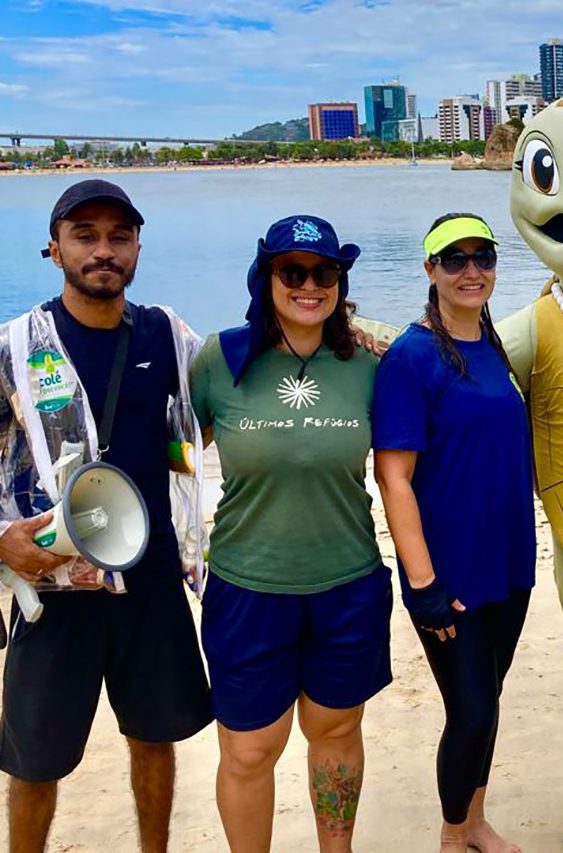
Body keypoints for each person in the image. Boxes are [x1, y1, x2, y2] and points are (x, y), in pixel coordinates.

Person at [0, 179, 212, 853]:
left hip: (150, 582)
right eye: (85, 235)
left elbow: (236, 385)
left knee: (154, 740)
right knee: (35, 763)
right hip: (55, 585)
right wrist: (3, 542)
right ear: (53, 248)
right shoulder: (16, 348)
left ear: (138, 246)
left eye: (119, 236)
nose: (104, 250)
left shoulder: (168, 335)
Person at [190, 215, 391, 853]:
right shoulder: (218, 360)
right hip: (247, 585)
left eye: (324, 272)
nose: (310, 285)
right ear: (266, 277)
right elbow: (174, 456)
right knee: (250, 749)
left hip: (348, 581)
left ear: (340, 281)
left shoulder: (367, 360)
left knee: (335, 732)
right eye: (292, 271)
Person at [372, 213, 534, 853]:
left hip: (509, 563)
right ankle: (449, 836)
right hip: (449, 574)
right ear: (430, 270)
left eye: (483, 257)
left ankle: (475, 822)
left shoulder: (492, 345)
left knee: (487, 704)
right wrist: (425, 583)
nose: (471, 271)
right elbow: (395, 479)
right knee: (468, 711)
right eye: (454, 259)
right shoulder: (412, 357)